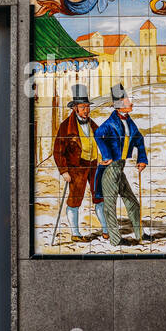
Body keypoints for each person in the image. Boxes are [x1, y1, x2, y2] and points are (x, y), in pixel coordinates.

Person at [52, 83, 107, 241]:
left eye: (87, 107)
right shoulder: (65, 127)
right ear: (75, 108)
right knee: (75, 198)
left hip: (93, 165)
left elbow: (100, 138)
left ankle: (105, 229)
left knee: (99, 196)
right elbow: (58, 151)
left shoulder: (91, 122)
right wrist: (64, 171)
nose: (86, 111)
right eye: (83, 108)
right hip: (76, 167)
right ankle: (75, 233)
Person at [95, 83, 147, 245]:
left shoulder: (129, 122)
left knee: (132, 202)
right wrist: (106, 155)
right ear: (118, 106)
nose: (130, 103)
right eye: (126, 102)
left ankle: (140, 235)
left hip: (120, 168)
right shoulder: (110, 123)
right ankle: (116, 241)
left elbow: (139, 138)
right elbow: (98, 134)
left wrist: (142, 159)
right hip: (110, 169)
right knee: (110, 205)